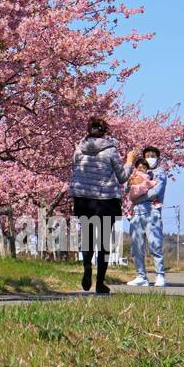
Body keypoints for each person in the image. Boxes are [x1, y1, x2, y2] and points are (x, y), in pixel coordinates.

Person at [69, 116, 139, 294]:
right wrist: (130, 161)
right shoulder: (110, 151)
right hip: (105, 200)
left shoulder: (78, 149)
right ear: (105, 131)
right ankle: (100, 283)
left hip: (83, 199)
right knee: (103, 243)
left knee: (88, 238)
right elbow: (122, 177)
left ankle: (86, 268)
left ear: (88, 130)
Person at [126, 145, 168, 287]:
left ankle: (160, 275)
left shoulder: (160, 173)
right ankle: (141, 276)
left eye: (152, 155)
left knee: (155, 244)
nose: (150, 158)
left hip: (152, 212)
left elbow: (156, 192)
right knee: (136, 246)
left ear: (158, 157)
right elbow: (128, 189)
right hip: (136, 213)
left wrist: (137, 199)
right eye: (147, 156)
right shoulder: (138, 172)